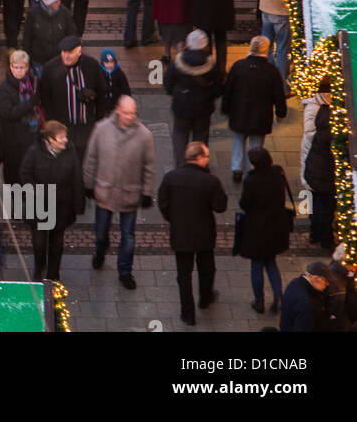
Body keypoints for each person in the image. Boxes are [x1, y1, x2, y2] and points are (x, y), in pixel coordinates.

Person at [83, 95, 155, 289]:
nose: (130, 116)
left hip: (130, 194)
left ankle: (125, 271)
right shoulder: (101, 129)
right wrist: (88, 184)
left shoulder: (144, 135)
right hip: (105, 192)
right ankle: (100, 251)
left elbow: (149, 166)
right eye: (126, 112)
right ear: (117, 110)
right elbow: (91, 158)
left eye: (133, 113)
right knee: (100, 232)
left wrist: (147, 192)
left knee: (128, 236)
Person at [158, 140, 228, 325]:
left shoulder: (171, 178)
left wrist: (173, 219)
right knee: (207, 268)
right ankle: (205, 298)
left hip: (180, 233)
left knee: (184, 274)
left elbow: (163, 203)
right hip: (204, 233)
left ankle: (187, 313)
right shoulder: (210, 181)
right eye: (206, 156)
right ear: (198, 158)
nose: (208, 160)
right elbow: (220, 207)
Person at [20, 121, 83, 280]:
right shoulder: (34, 152)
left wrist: (78, 203)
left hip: (61, 206)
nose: (65, 140)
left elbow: (76, 177)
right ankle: (39, 268)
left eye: (65, 137)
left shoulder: (70, 151)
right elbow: (25, 173)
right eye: (61, 137)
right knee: (39, 243)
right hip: (38, 206)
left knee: (57, 244)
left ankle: (53, 274)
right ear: (50, 139)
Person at [221, 36, 288, 183]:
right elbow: (278, 95)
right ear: (266, 50)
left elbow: (228, 90)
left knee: (238, 140)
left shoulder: (238, 66)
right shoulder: (271, 71)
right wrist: (281, 113)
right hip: (261, 116)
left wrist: (225, 109)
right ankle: (253, 169)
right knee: (256, 144)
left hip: (239, 113)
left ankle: (237, 169)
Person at [238, 147, 292, 315]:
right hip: (276, 226)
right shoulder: (277, 174)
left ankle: (259, 300)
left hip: (257, 228)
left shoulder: (251, 180)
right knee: (271, 263)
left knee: (257, 265)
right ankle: (278, 297)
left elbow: (244, 204)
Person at [40, 34, 108, 155]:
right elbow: (45, 98)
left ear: (79, 51)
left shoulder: (92, 66)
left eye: (70, 52)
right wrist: (52, 122)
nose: (66, 56)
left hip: (86, 125)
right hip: (62, 126)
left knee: (85, 158)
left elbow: (102, 93)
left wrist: (98, 119)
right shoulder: (50, 68)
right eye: (63, 52)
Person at [164, 27, 221, 167]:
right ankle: (199, 164)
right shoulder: (211, 64)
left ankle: (180, 166)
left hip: (181, 107)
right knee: (201, 137)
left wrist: (177, 94)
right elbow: (219, 88)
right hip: (203, 109)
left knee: (180, 136)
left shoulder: (178, 61)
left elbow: (168, 83)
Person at [301, 78, 337, 249]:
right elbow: (309, 133)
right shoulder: (315, 108)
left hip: (313, 158)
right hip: (312, 155)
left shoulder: (322, 107)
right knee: (313, 196)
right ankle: (316, 231)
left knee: (315, 197)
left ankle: (314, 231)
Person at [0, 49, 40, 185]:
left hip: (31, 133)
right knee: (13, 172)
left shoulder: (33, 83)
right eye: (15, 67)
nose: (18, 71)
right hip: (12, 138)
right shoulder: (5, 87)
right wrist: (29, 104)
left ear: (27, 67)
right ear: (10, 66)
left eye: (21, 67)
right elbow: (7, 114)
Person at [21, 0, 75, 70]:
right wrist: (27, 59)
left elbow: (72, 34)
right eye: (55, 1)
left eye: (59, 0)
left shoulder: (64, 13)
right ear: (47, 2)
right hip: (38, 61)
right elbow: (27, 38)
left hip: (59, 60)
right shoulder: (33, 14)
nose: (59, 3)